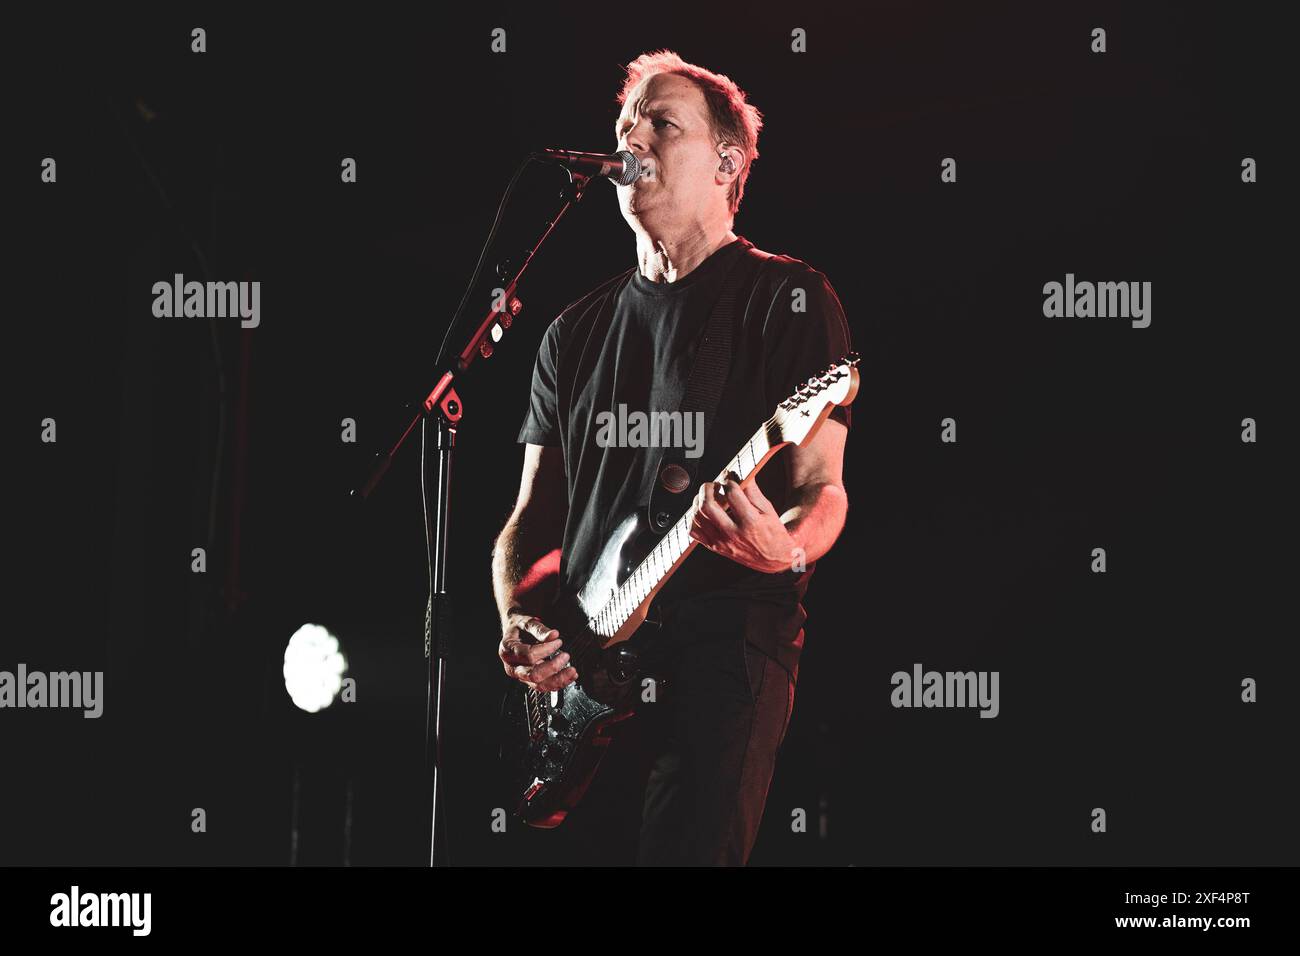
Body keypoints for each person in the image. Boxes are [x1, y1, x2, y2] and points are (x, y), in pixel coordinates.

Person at [492, 49, 853, 865]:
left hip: (721, 654)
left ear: (728, 163)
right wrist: (517, 616)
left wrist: (786, 547)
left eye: (663, 123)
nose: (634, 138)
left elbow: (823, 487)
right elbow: (529, 520)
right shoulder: (570, 333)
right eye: (627, 124)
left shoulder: (786, 298)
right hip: (585, 676)